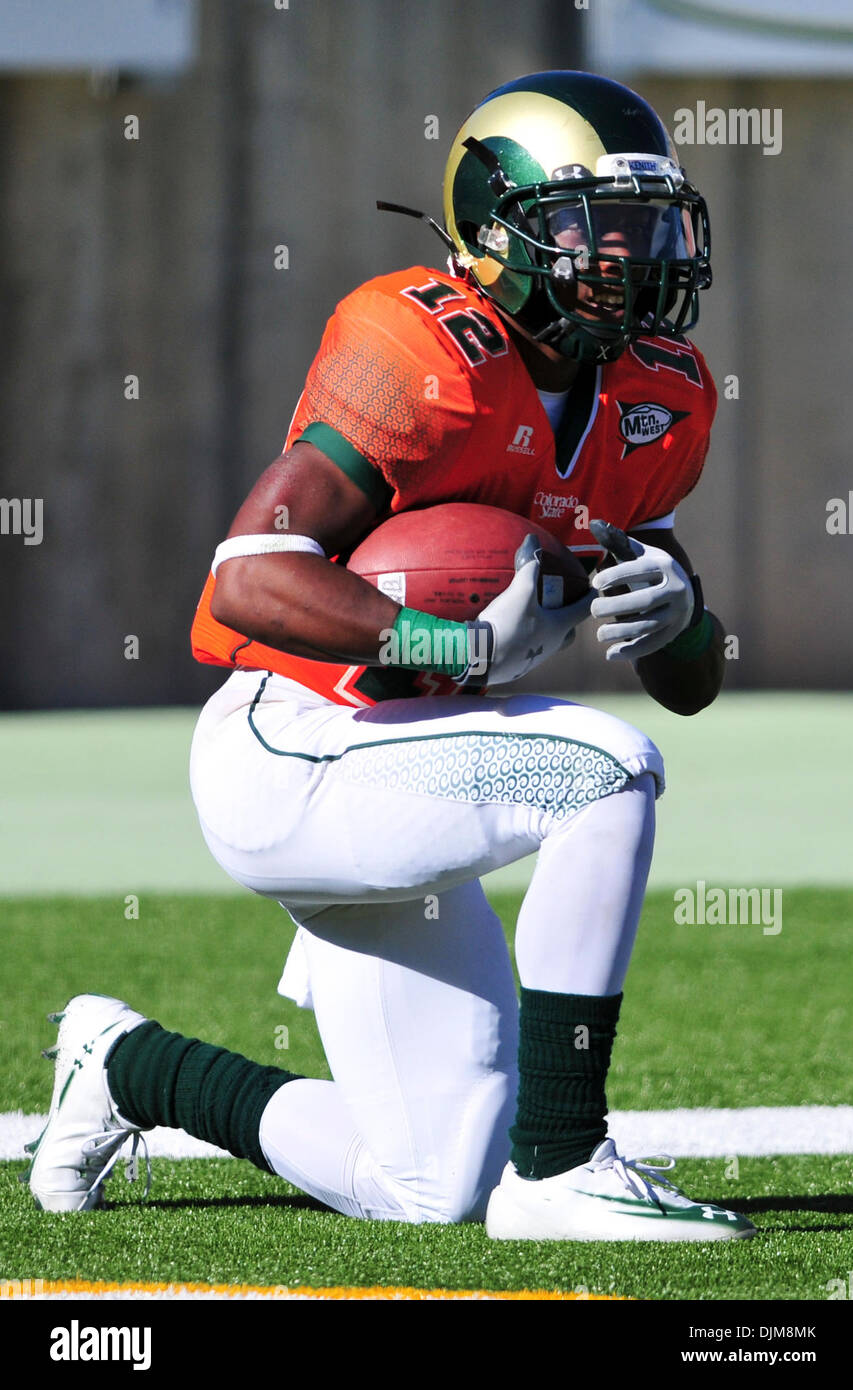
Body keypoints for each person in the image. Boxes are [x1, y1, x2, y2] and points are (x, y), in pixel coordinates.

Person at [28, 71, 755, 1241]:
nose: (635, 256)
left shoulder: (655, 396)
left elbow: (693, 681)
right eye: (595, 229)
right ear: (499, 228)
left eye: (649, 225)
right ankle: (565, 1163)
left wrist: (685, 619)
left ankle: (125, 1068)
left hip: (401, 770)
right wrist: (450, 642)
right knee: (602, 772)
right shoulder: (423, 349)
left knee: (431, 1184)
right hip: (291, 741)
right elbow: (245, 574)